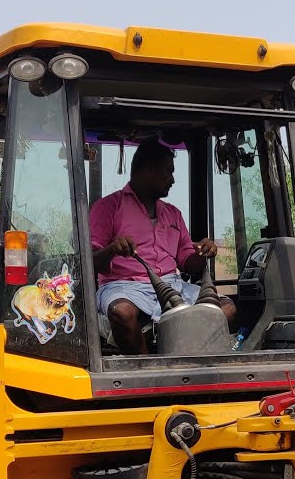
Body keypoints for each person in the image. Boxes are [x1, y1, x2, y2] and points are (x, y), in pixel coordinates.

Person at [90, 138, 230, 354]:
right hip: (124, 286)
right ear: (148, 169)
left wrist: (203, 252)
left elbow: (187, 263)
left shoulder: (173, 213)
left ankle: (185, 362)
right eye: (168, 172)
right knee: (122, 313)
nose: (172, 179)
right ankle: (147, 368)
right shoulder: (108, 207)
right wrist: (113, 249)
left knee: (226, 309)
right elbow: (90, 261)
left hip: (172, 285)